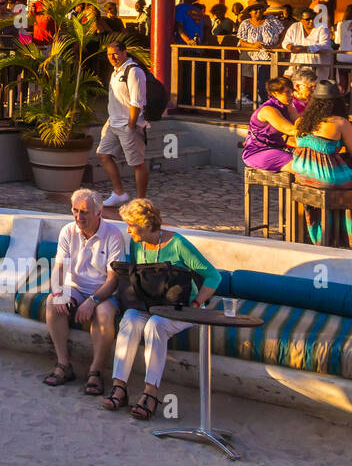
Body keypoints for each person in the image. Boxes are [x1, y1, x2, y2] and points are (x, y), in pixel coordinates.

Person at [99, 199, 220, 420]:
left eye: (131, 225)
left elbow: (214, 275)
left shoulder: (178, 244)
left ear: (145, 223)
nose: (127, 229)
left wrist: (196, 303)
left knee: (155, 326)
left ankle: (150, 393)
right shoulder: (137, 243)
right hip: (151, 304)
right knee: (130, 317)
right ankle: (119, 386)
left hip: (182, 307)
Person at [41, 189, 126, 396]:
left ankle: (95, 370)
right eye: (75, 210)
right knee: (52, 303)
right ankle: (64, 364)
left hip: (103, 291)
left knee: (104, 314)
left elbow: (113, 280)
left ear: (99, 213)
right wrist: (59, 291)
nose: (79, 216)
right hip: (76, 287)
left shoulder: (113, 235)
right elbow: (59, 268)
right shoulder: (68, 231)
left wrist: (93, 300)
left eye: (85, 212)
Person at [289, 79, 352, 247]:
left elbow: (310, 148)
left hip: (303, 176)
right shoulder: (340, 123)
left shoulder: (301, 122)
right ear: (337, 103)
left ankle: (338, 236)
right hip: (327, 178)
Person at [97, 40, 148, 205]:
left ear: (124, 52)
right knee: (103, 154)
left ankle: (140, 201)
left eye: (115, 53)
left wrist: (132, 125)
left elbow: (136, 101)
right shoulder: (115, 71)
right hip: (113, 122)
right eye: (109, 54)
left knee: (137, 163)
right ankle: (119, 193)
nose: (112, 57)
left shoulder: (133, 72)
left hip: (128, 124)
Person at [241, 76, 299, 173]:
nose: (292, 95)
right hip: (258, 151)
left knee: (308, 159)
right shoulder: (268, 110)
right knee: (301, 166)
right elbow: (291, 130)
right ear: (275, 94)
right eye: (287, 92)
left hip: (277, 148)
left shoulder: (288, 107)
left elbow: (300, 122)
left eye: (292, 91)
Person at [235, 1, 286, 106]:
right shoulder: (245, 23)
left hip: (268, 54)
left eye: (260, 8)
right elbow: (242, 41)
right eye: (255, 9)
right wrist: (253, 46)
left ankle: (265, 100)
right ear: (250, 12)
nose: (258, 11)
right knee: (246, 75)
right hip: (250, 53)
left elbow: (283, 33)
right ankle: (241, 97)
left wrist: (277, 46)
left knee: (266, 79)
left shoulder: (271, 20)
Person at [283, 7, 333, 80]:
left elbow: (325, 44)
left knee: (315, 87)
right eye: (308, 19)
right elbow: (285, 42)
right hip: (297, 64)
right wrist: (292, 47)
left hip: (318, 65)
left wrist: (307, 49)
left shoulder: (322, 27)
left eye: (313, 18)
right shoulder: (295, 27)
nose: (311, 21)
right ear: (301, 20)